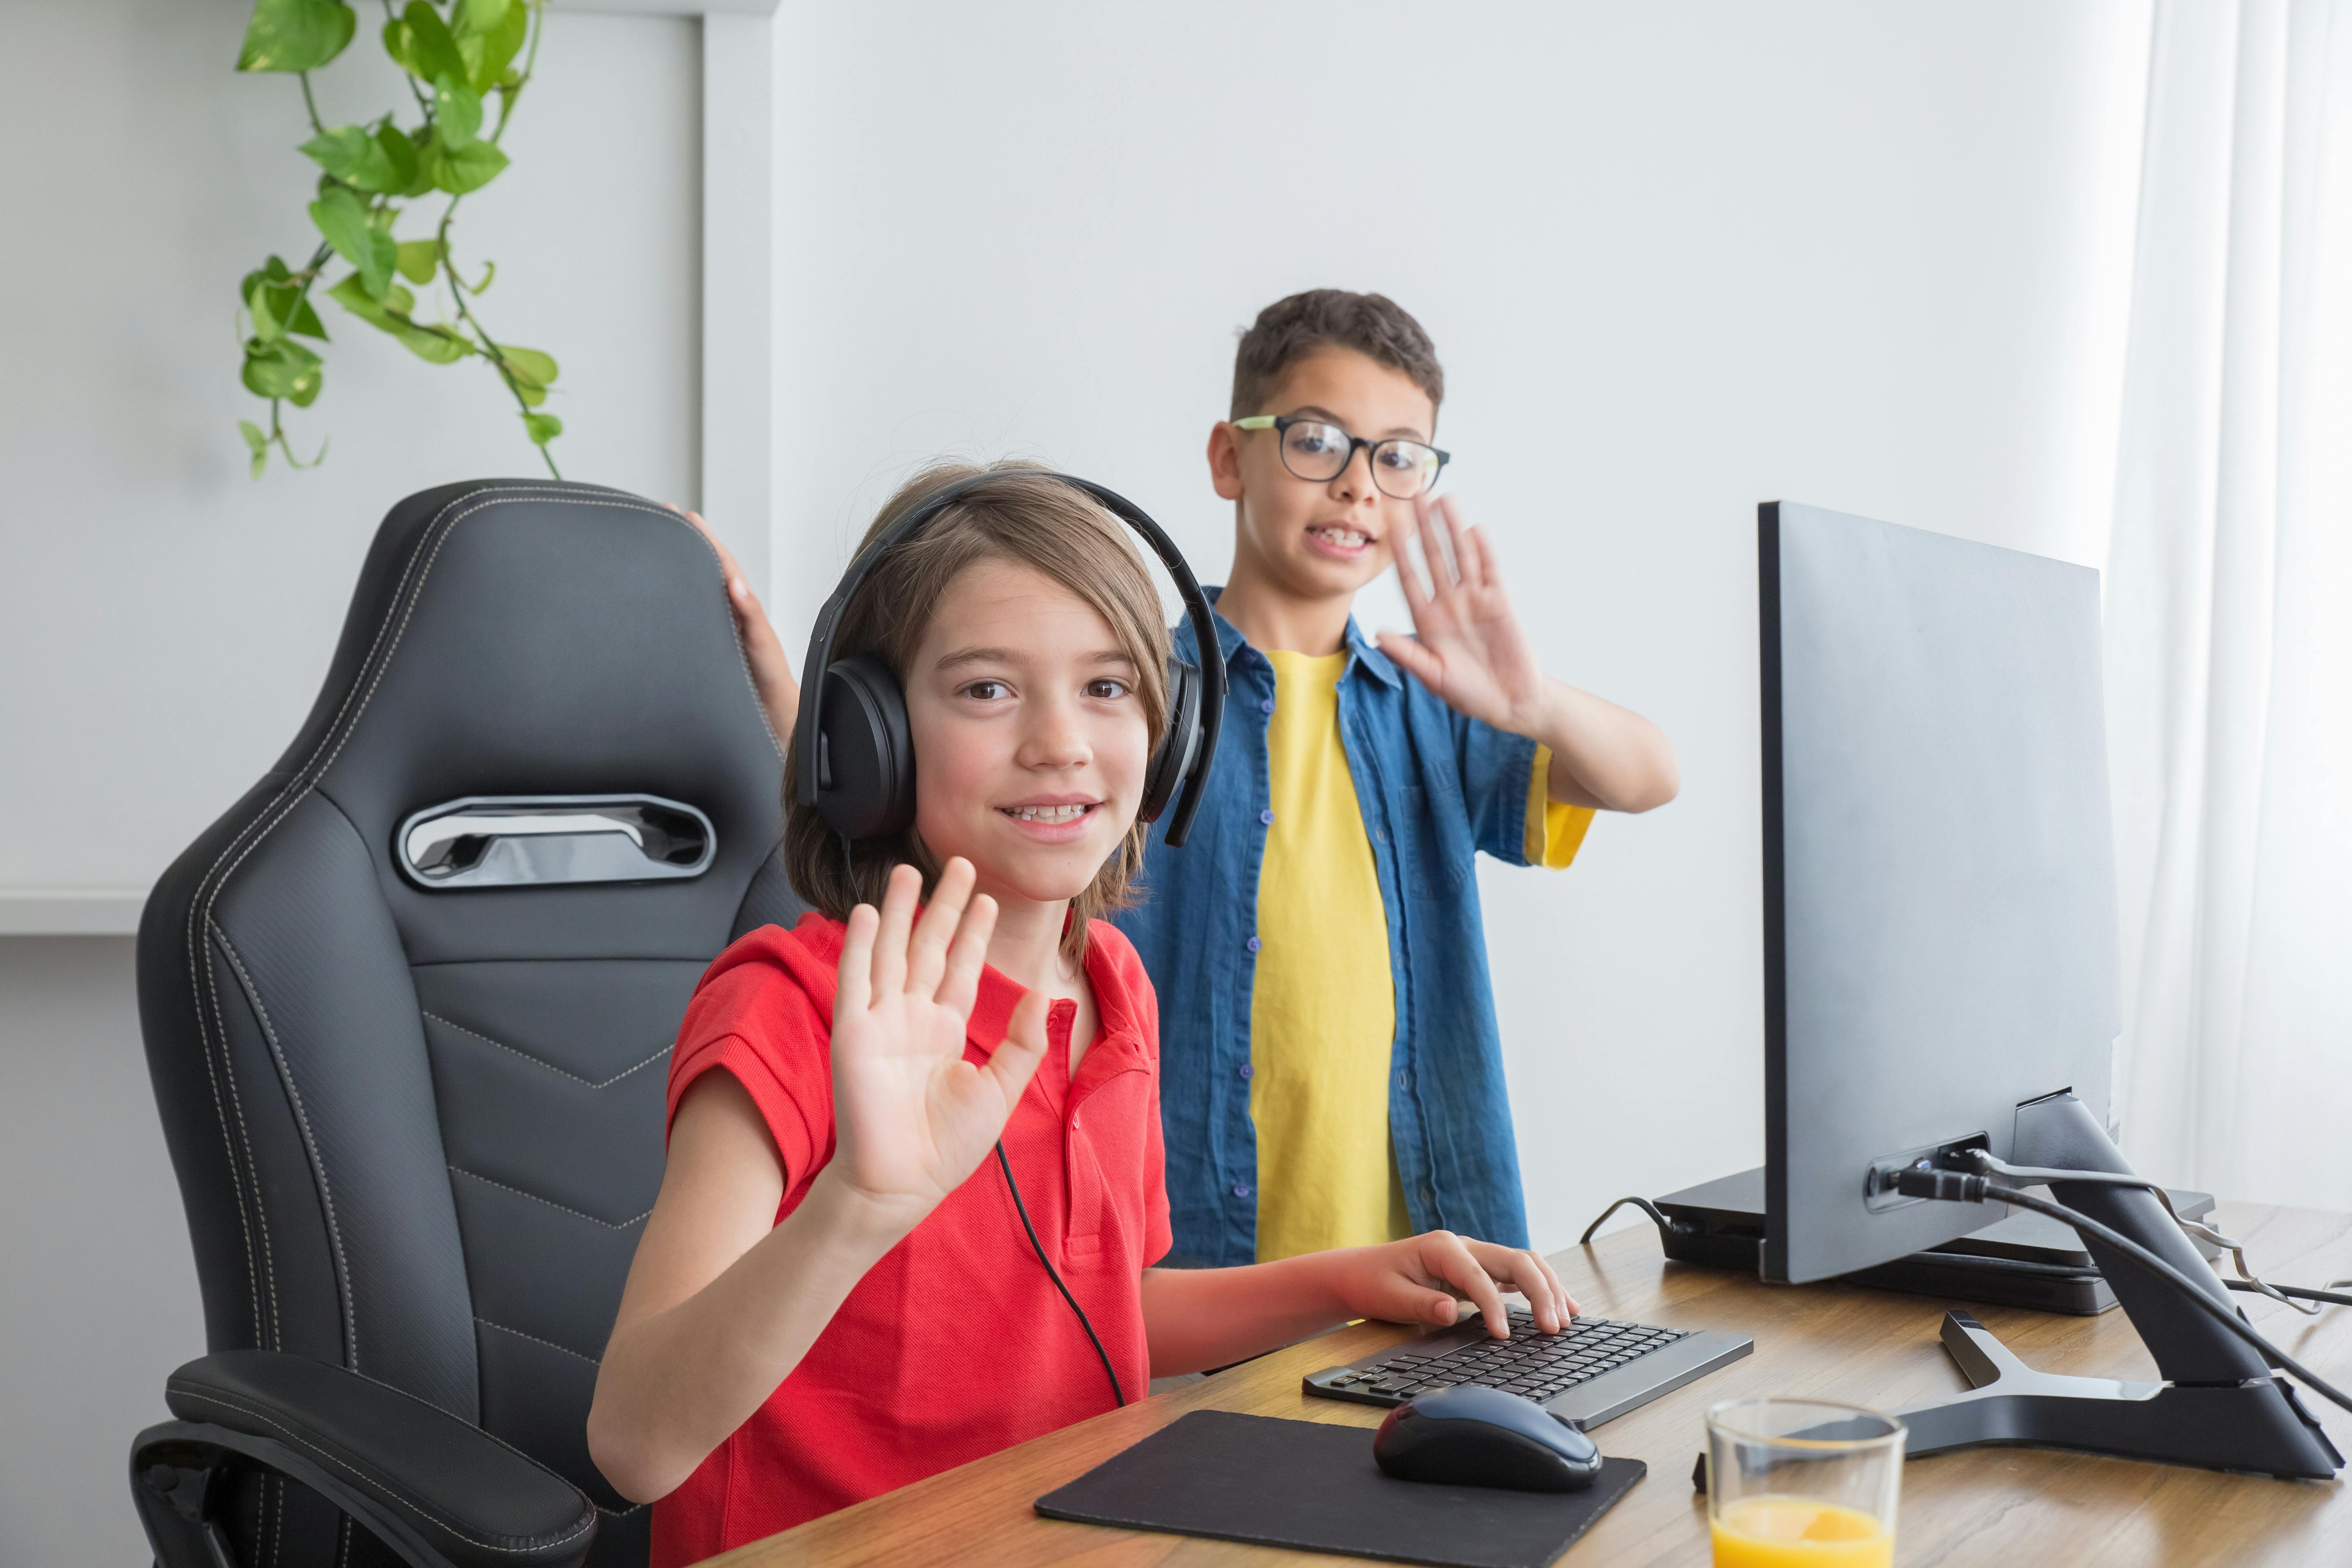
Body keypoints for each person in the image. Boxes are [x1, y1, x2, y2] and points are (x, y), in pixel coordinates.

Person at [592, 463, 1575, 1565]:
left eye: (1107, 687)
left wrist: (1346, 1279)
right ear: (871, 739)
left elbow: (1108, 1312)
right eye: (986, 690)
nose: (1061, 741)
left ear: (1176, 730)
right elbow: (636, 1444)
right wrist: (857, 1205)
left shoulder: (1112, 985)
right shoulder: (789, 1009)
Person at [1116, 290, 1679, 1267]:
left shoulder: (1434, 706)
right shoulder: (1135, 699)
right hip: (1198, 1278)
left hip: (1427, 1271)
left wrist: (1532, 703)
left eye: (1396, 455)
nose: (1357, 487)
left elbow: (1649, 776)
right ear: (1228, 456)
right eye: (1318, 441)